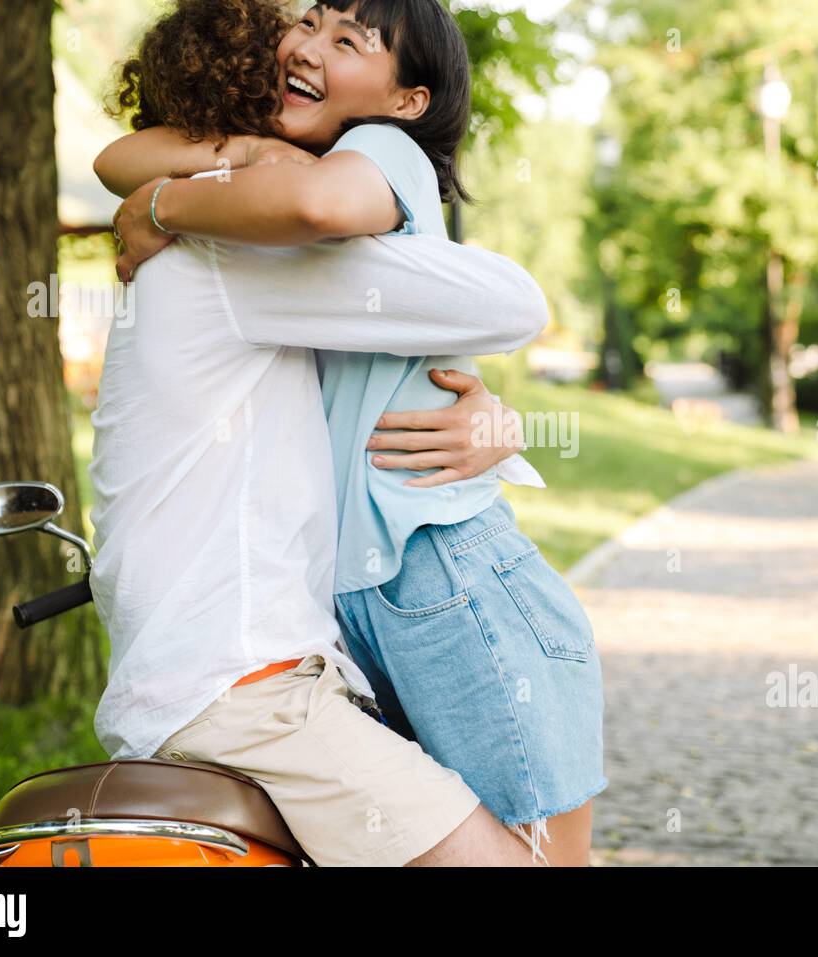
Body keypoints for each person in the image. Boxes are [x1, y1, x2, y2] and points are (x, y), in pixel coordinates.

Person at [97, 0, 605, 865]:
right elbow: (513, 300)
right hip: (247, 684)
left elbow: (132, 163)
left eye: (344, 39)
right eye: (300, 32)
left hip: (294, 650)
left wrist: (488, 407)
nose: (304, 49)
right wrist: (190, 193)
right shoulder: (241, 255)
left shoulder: (230, 241)